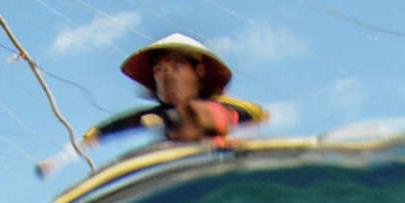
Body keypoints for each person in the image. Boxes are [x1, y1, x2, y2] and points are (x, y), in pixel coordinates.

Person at [83, 32, 267, 151]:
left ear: (198, 72)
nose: (167, 77)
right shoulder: (160, 116)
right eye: (159, 70)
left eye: (177, 67)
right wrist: (98, 133)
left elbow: (255, 114)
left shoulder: (220, 108)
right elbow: (125, 122)